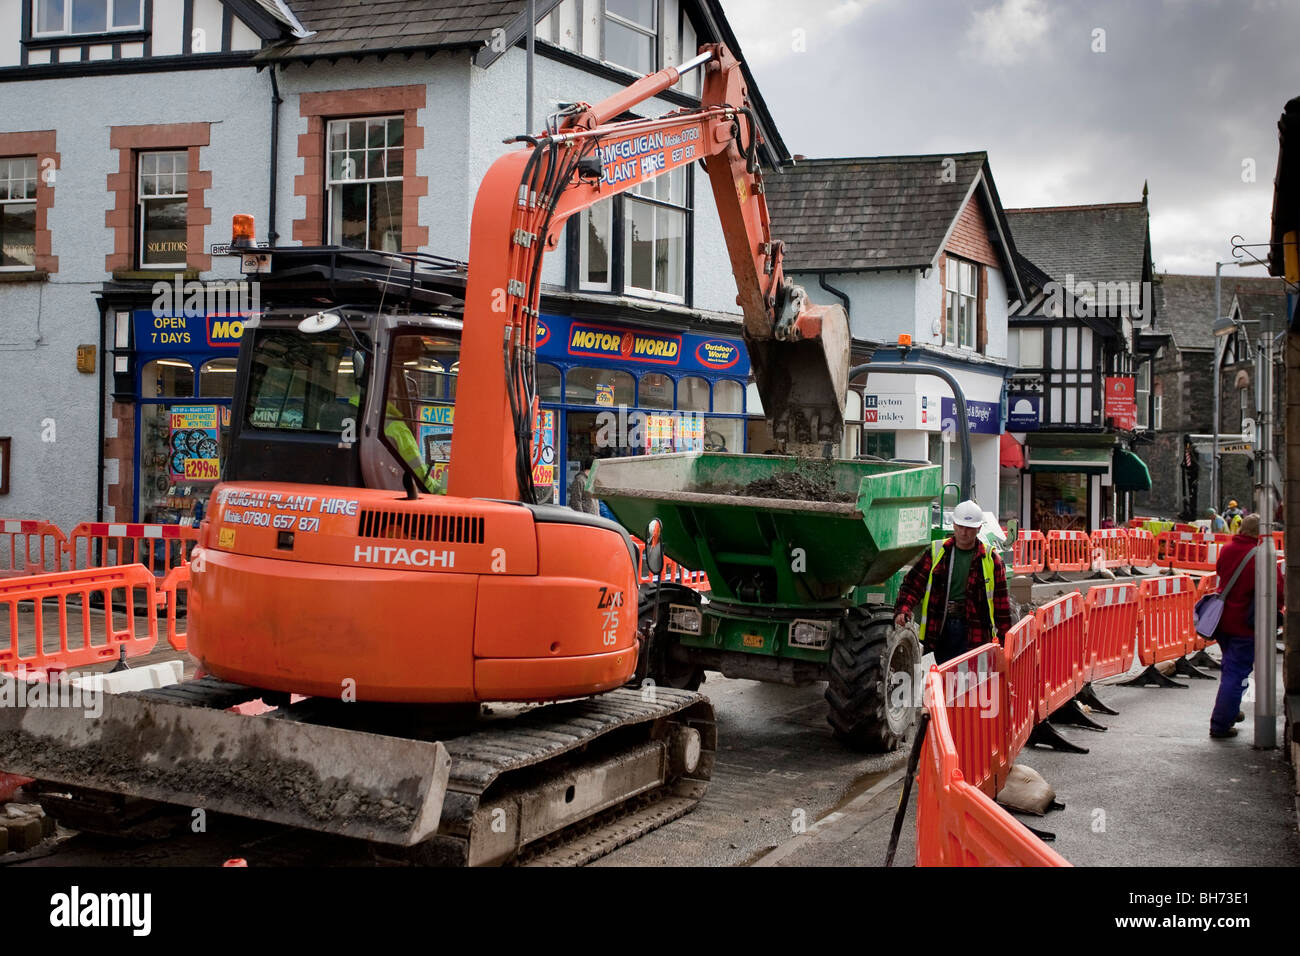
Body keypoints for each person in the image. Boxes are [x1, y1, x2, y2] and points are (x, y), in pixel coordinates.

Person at [894, 499, 1015, 665]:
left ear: (978, 528)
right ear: (954, 526)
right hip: (940, 628)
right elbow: (913, 584)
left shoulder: (991, 559)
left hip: (974, 629)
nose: (965, 532)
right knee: (945, 677)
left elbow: (1002, 606)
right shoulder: (937, 552)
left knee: (969, 680)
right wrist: (904, 608)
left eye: (970, 528)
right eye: (961, 527)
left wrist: (1005, 643)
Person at [1209, 513, 1284, 738]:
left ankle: (1230, 710)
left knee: (1230, 669)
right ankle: (1220, 724)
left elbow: (1222, 573)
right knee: (1237, 673)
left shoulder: (1228, 549)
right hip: (1247, 624)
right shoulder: (1262, 556)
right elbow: (1278, 592)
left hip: (1223, 621)